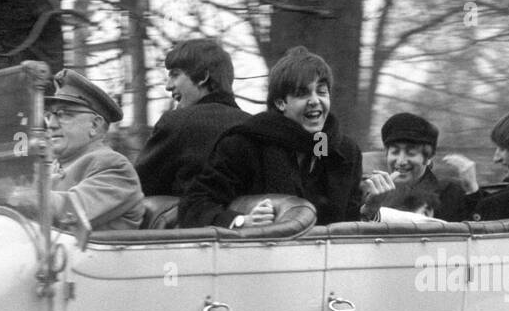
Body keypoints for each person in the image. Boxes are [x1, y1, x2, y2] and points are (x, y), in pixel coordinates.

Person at [0, 69, 144, 234]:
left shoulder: (113, 166)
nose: (50, 124)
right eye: (49, 115)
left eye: (63, 115)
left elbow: (65, 211)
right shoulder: (52, 165)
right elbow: (23, 201)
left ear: (95, 126)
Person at [177, 46, 363, 229]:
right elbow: (194, 204)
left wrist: (370, 208)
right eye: (302, 93)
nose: (315, 100)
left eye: (322, 92)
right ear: (281, 103)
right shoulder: (244, 144)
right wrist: (243, 221)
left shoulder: (343, 151)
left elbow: (348, 222)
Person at [134, 38, 247, 197]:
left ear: (203, 77)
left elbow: (137, 188)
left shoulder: (176, 123)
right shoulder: (255, 126)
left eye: (175, 75)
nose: (168, 86)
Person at [360, 112, 468, 221]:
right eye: (395, 152)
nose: (401, 161)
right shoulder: (368, 190)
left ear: (427, 158)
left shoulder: (448, 193)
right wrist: (370, 208)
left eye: (411, 153)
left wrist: (473, 189)